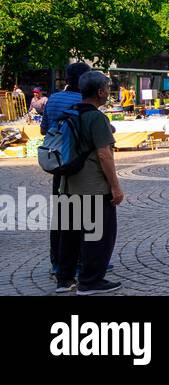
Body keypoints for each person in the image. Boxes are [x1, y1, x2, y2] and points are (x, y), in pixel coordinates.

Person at [54, 70, 124, 295]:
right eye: (107, 88)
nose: (108, 91)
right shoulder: (96, 117)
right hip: (92, 187)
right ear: (101, 92)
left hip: (67, 184)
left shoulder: (71, 113)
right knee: (99, 236)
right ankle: (90, 281)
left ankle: (64, 281)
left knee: (70, 235)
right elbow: (104, 155)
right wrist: (115, 186)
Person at [42, 62, 92, 277]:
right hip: (79, 164)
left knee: (61, 215)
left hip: (57, 162)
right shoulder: (84, 101)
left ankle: (57, 262)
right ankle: (82, 261)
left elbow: (44, 128)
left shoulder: (53, 99)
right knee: (85, 215)